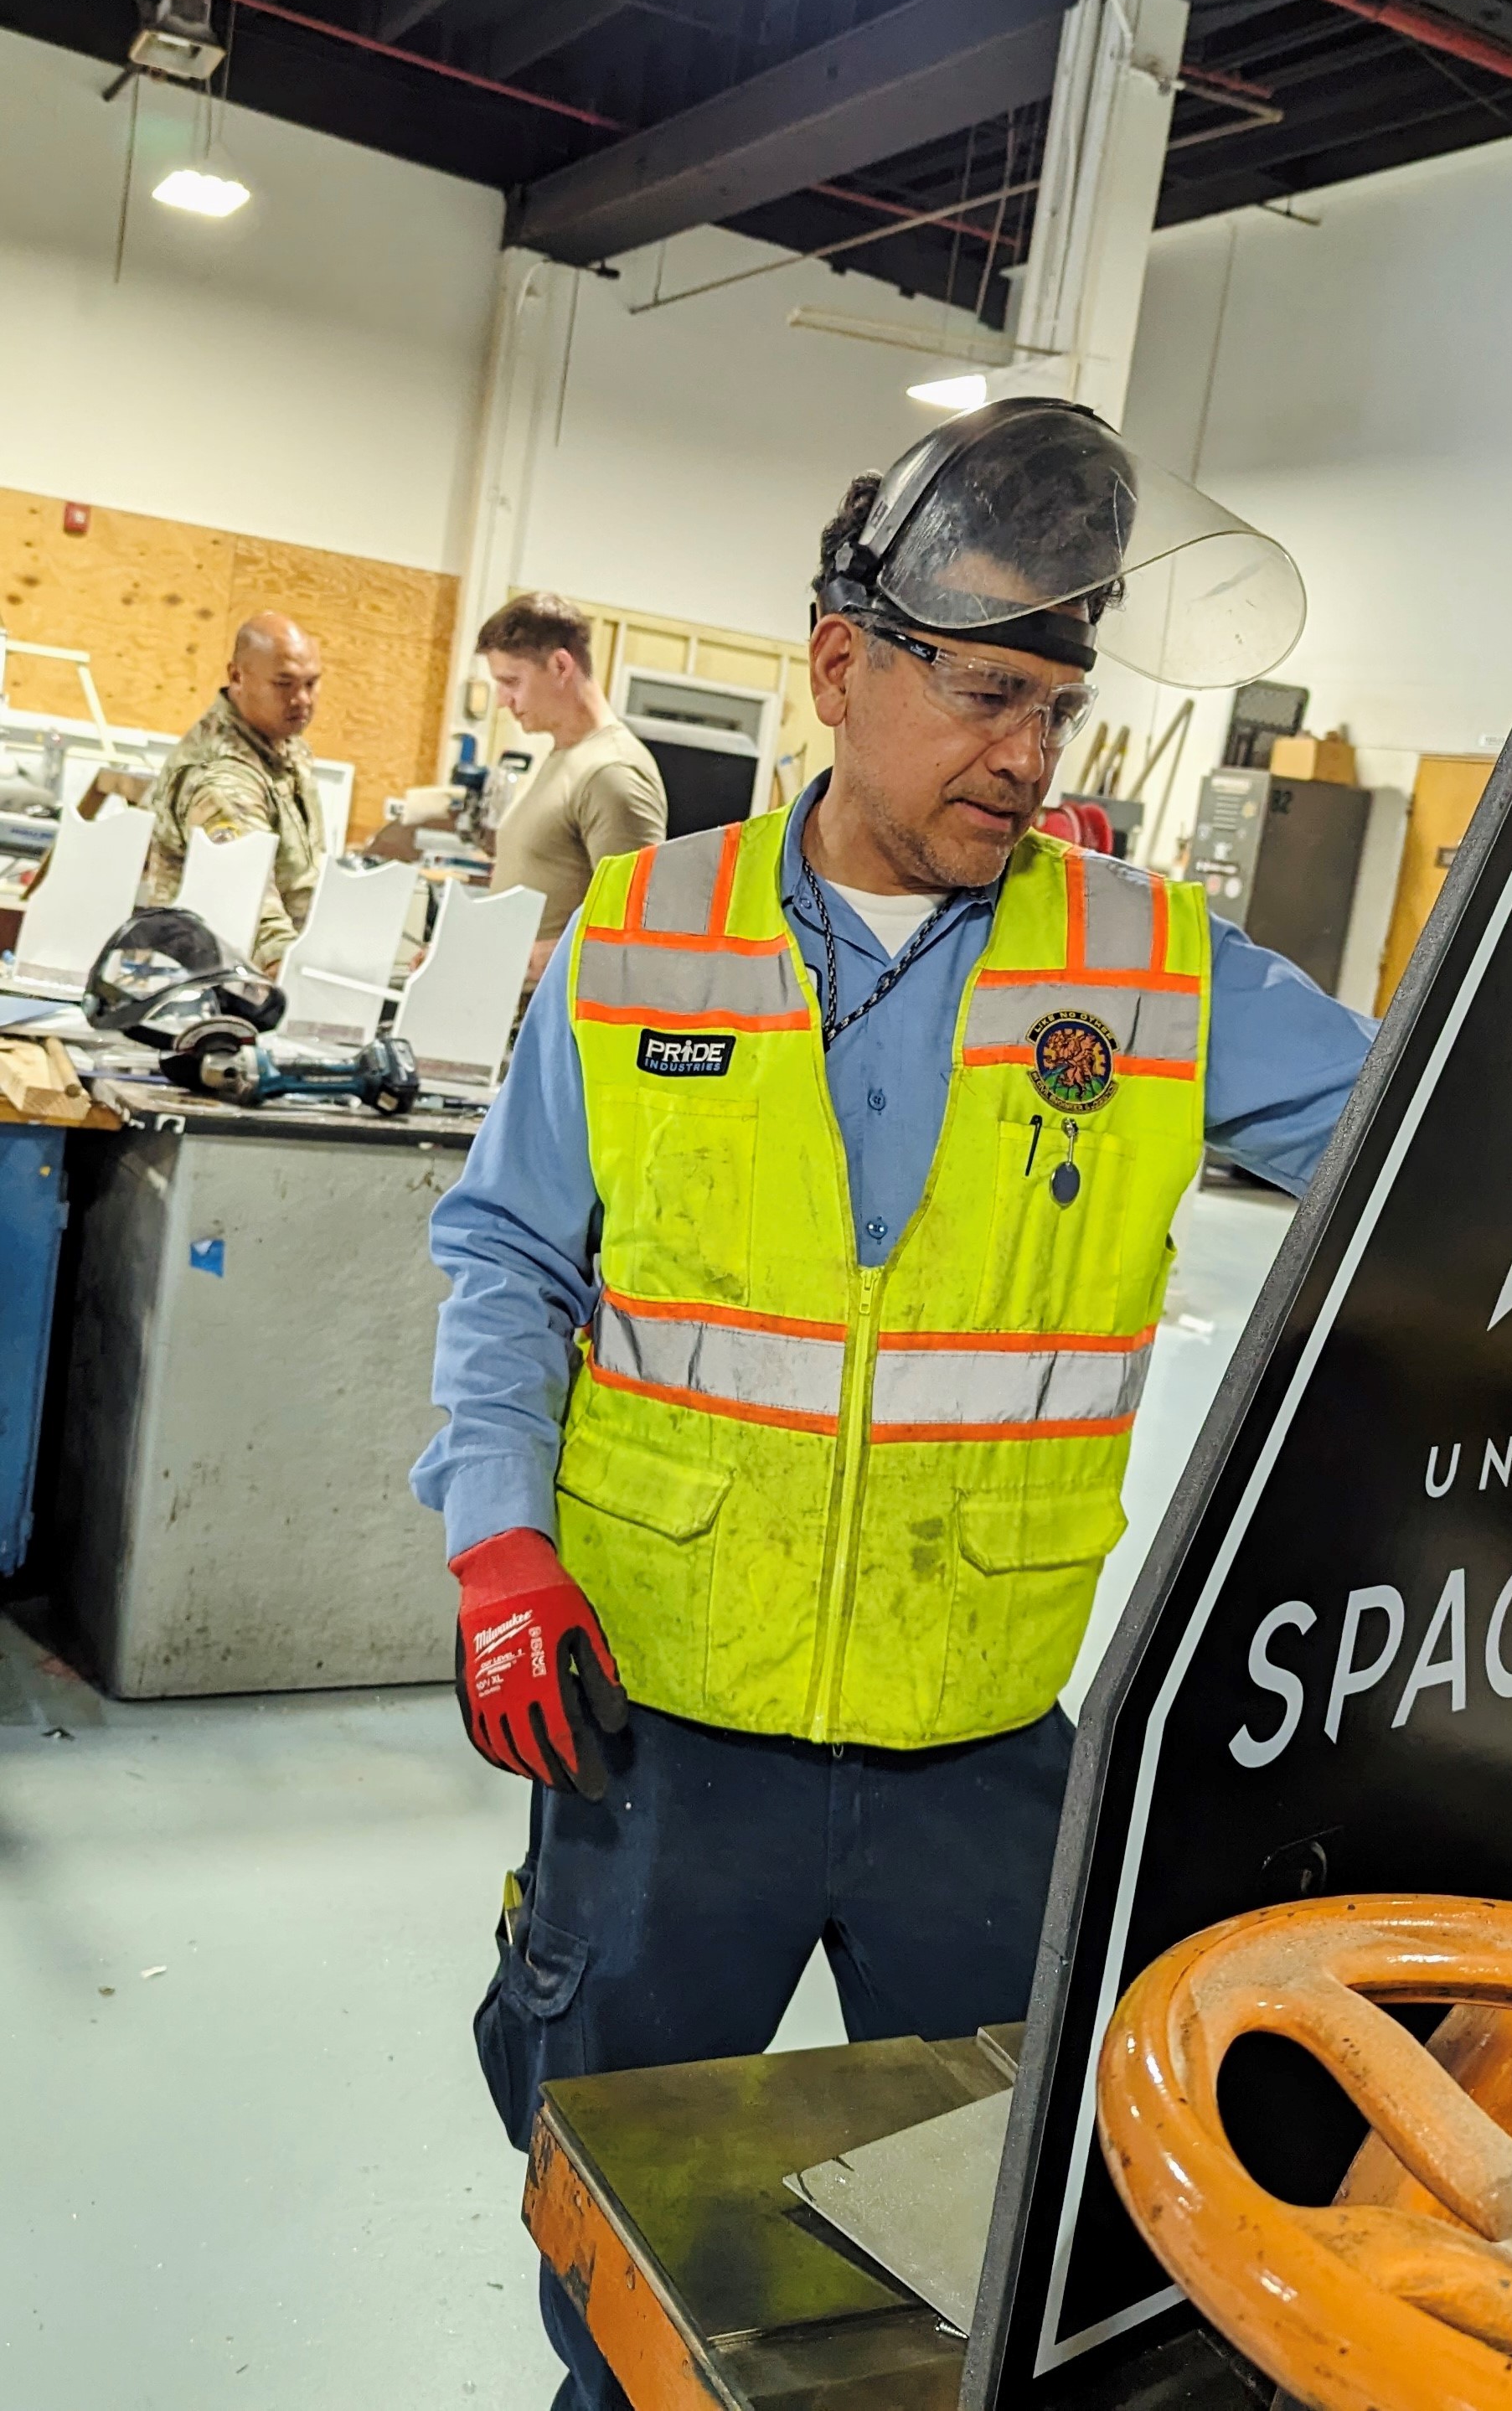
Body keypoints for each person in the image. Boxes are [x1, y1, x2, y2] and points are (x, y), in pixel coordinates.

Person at [412, 400, 1379, 2408]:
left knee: (989, 2257)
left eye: (1059, 707)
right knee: (618, 2254)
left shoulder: (1158, 971)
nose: (1027, 758)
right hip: (662, 1739)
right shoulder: (642, 930)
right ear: (844, 668)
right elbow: (508, 1257)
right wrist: (498, 1534)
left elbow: (1465, 1152)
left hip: (978, 1750)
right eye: (988, 697)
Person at [475, 592, 668, 984]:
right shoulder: (565, 756)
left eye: (512, 682)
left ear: (561, 665)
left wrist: (523, 958)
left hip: (555, 1024)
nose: (502, 701)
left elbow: (633, 930)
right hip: (514, 1009)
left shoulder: (612, 771)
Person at [139, 611, 327, 972]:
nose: (302, 699)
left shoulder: (283, 746)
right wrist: (296, 975)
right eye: (284, 684)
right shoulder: (222, 777)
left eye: (312, 683)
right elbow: (250, 906)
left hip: (264, 970)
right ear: (237, 676)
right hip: (216, 977)